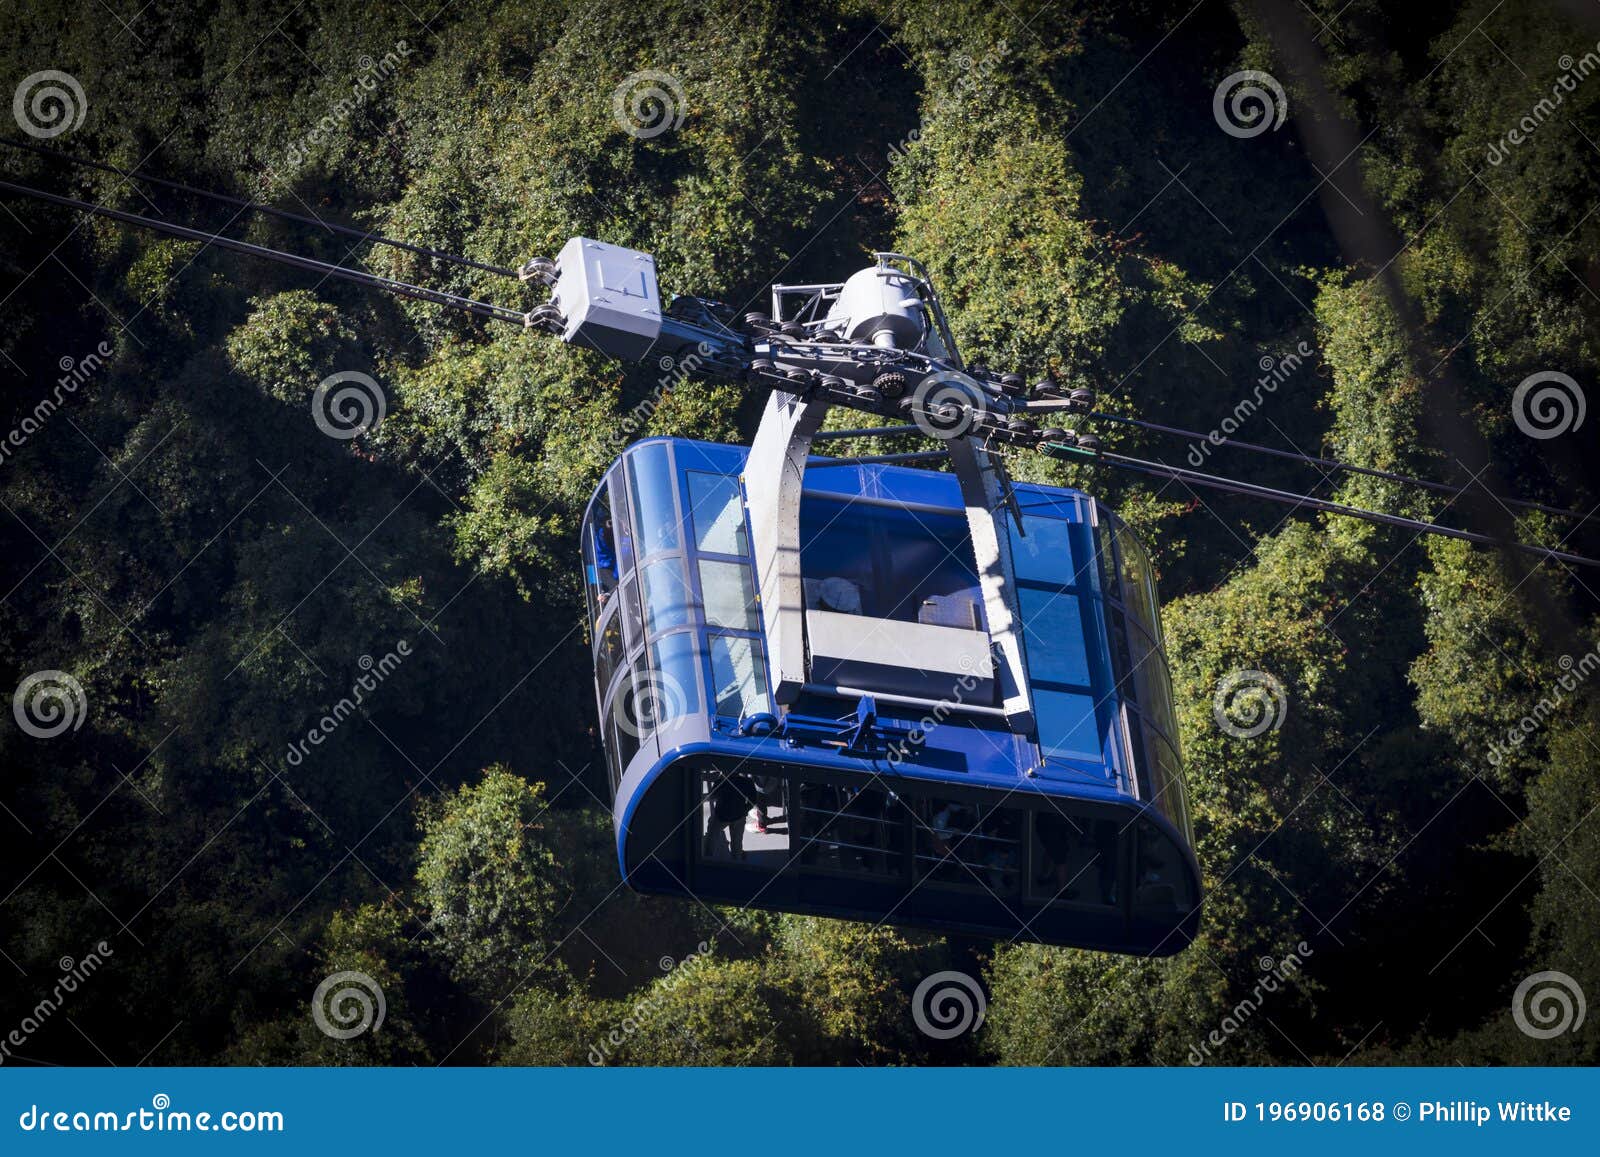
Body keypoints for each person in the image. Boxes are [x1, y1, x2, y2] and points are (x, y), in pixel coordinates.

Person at [703, 775, 757, 861]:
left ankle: (708, 858)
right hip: (739, 815)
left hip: (722, 815)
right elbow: (753, 800)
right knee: (737, 842)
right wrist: (744, 810)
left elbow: (713, 796)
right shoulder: (747, 782)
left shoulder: (721, 781)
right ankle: (737, 862)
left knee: (712, 836)